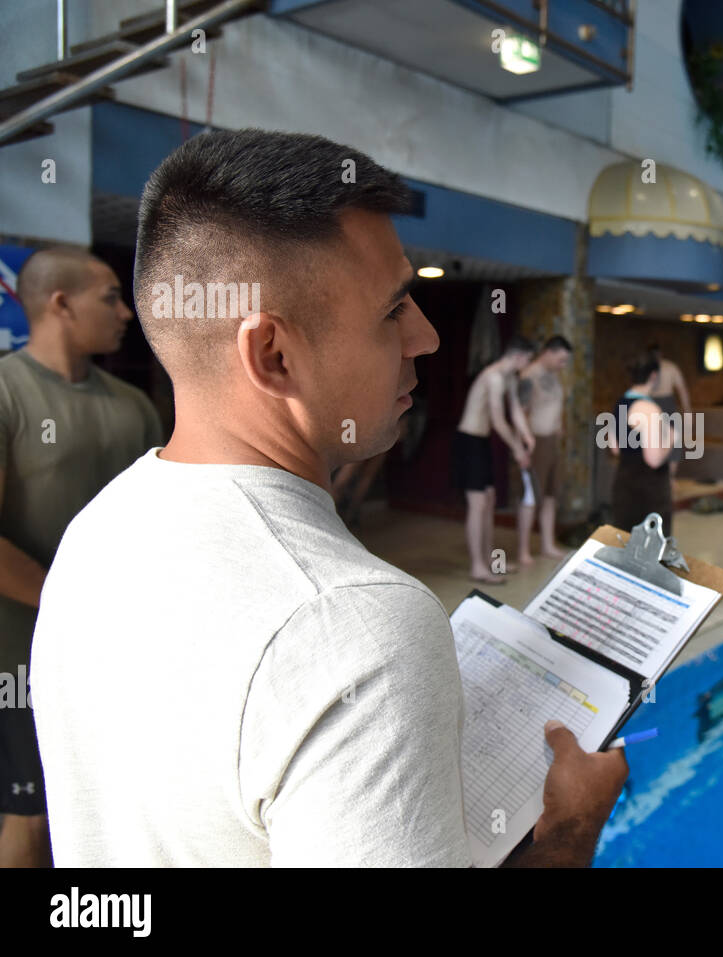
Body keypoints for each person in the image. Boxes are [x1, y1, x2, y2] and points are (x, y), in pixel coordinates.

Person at [29, 129, 626, 867]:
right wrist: (571, 828)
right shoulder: (356, 625)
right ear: (273, 354)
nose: (429, 336)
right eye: (395, 309)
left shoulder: (96, 531)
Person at [0, 248, 162, 868]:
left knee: (106, 812)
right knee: (32, 814)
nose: (127, 312)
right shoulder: (8, 394)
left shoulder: (135, 406)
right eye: (111, 297)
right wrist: (71, 604)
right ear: (60, 304)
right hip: (22, 660)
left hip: (119, 653)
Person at [454, 337, 535, 584]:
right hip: (469, 441)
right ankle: (477, 566)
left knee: (488, 501)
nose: (527, 365)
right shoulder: (494, 376)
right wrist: (518, 449)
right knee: (478, 504)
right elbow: (499, 420)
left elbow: (515, 412)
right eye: (528, 360)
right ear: (518, 356)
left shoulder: (509, 377)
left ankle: (489, 560)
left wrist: (527, 436)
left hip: (482, 442)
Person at [517, 335, 572, 565]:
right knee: (531, 497)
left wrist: (559, 427)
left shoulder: (554, 376)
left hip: (551, 441)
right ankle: (523, 550)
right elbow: (520, 412)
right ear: (548, 352)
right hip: (534, 440)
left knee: (550, 496)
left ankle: (547, 544)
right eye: (560, 360)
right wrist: (524, 444)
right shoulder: (529, 376)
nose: (563, 365)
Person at [610, 352, 675, 536]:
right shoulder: (649, 409)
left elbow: (615, 449)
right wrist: (671, 437)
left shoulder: (621, 403)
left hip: (623, 484)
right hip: (648, 491)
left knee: (624, 547)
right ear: (654, 376)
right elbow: (653, 460)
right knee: (650, 554)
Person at [647, 343, 692, 482]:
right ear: (661, 354)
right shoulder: (671, 367)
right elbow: (682, 389)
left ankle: (657, 478)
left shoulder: (646, 369)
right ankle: (669, 477)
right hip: (667, 404)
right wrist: (688, 411)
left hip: (652, 404)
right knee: (674, 443)